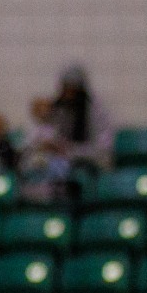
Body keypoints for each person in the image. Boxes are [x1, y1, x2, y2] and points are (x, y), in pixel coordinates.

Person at [20, 65, 114, 200]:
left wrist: (70, 151)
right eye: (66, 89)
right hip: (57, 160)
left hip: (88, 162)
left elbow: (102, 150)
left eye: (72, 90)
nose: (68, 95)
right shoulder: (59, 111)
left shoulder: (96, 114)